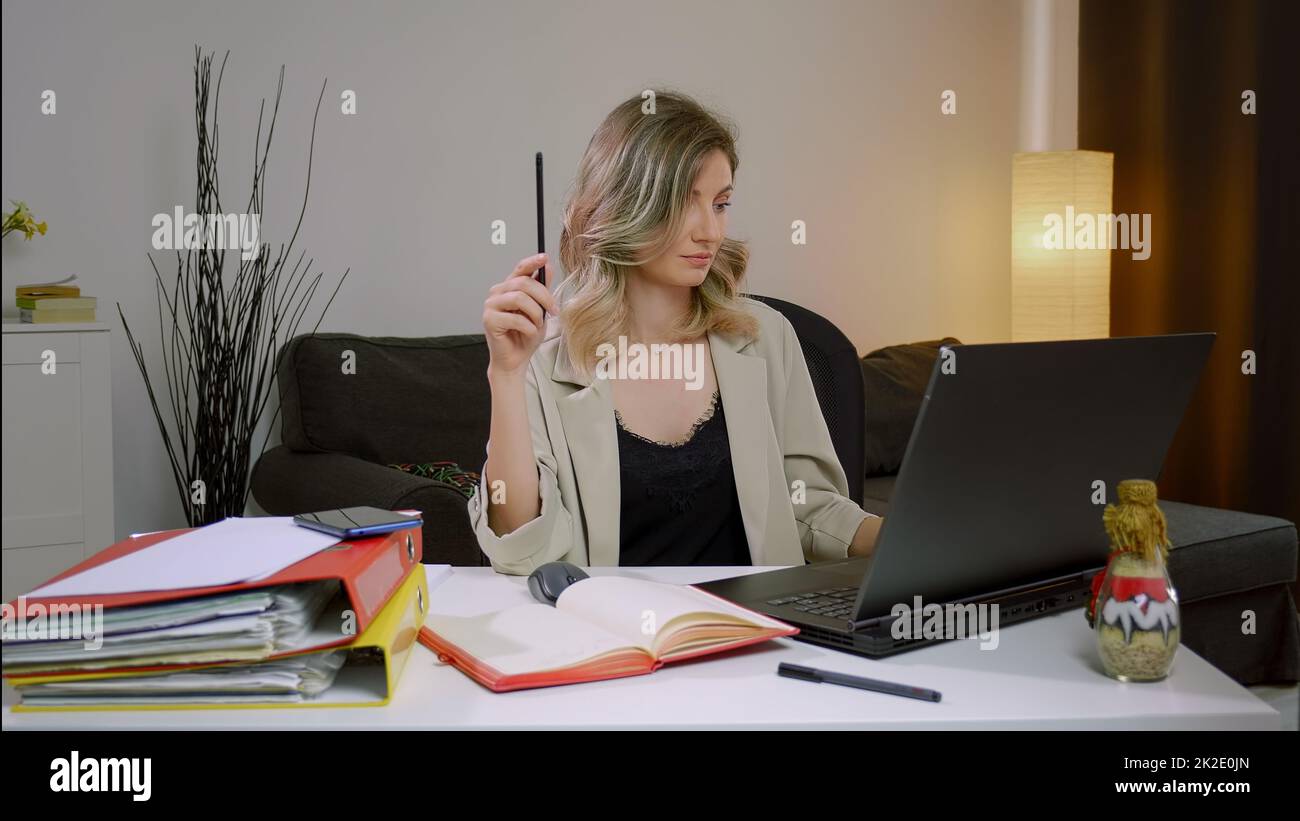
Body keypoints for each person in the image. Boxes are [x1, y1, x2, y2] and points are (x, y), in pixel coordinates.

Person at [472, 89, 882, 574]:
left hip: (754, 634)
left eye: (721, 203)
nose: (709, 230)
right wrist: (506, 376)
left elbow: (811, 510)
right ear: (626, 205)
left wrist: (915, 534)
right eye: (686, 203)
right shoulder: (546, 356)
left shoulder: (768, 338)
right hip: (614, 637)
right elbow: (522, 544)